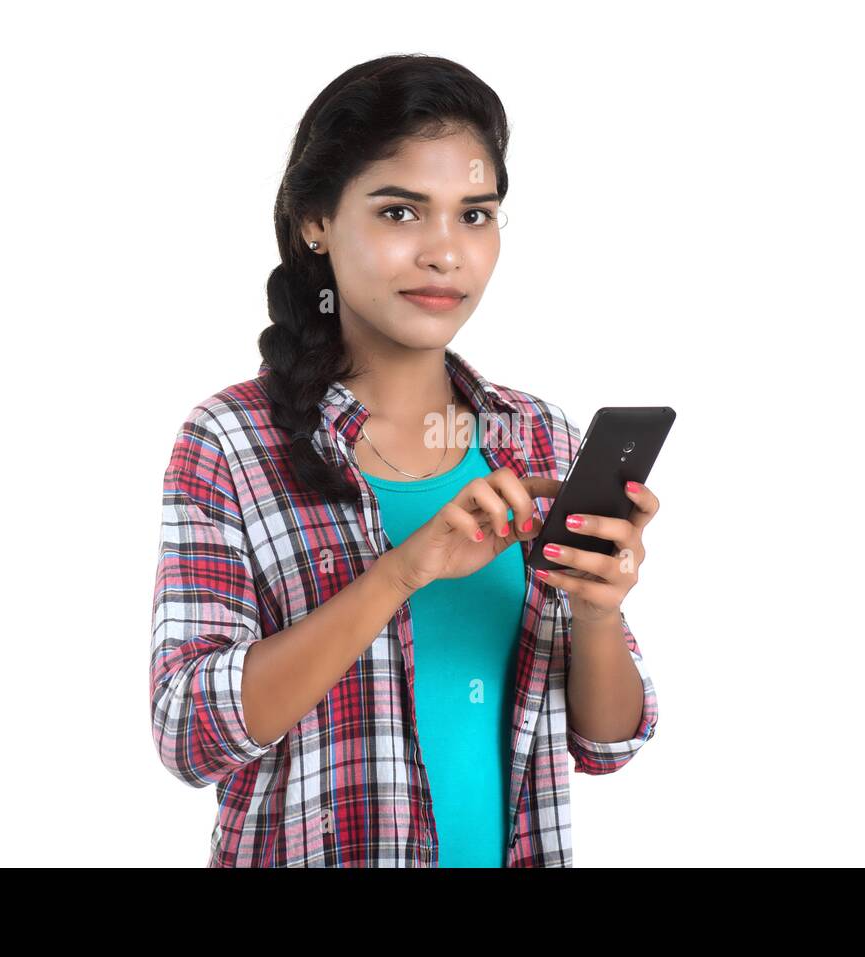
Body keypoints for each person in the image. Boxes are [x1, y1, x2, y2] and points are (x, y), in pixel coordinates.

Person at [149, 53, 661, 867]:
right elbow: (190, 735)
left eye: (475, 214)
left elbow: (606, 743)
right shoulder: (233, 442)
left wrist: (598, 610)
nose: (445, 253)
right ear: (316, 220)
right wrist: (403, 568)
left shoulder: (536, 437)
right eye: (400, 213)